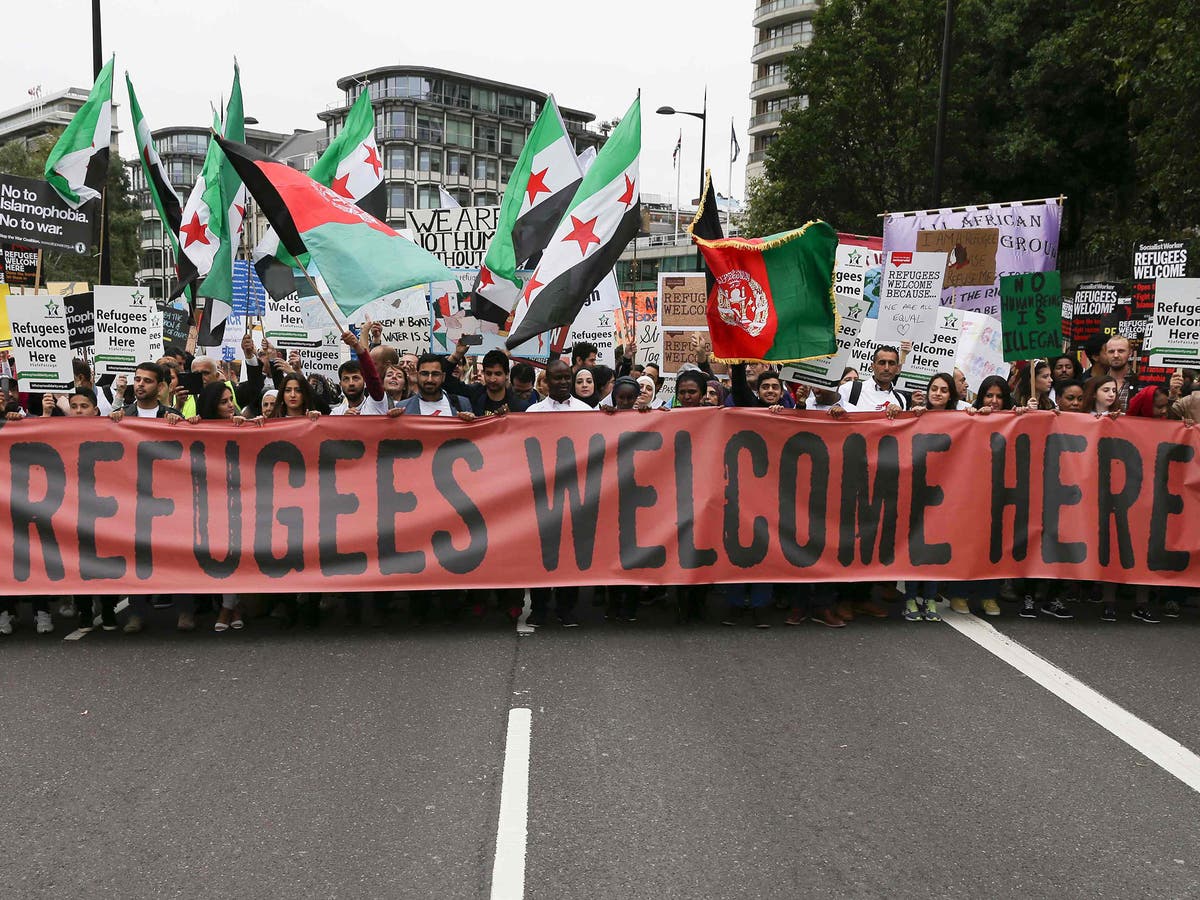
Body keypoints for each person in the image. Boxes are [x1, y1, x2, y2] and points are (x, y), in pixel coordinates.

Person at [525, 360, 594, 627]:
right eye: (558, 378)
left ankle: (567, 608)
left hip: (575, 492)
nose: (564, 382)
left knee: (570, 551)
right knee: (542, 552)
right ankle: (539, 608)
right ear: (546, 381)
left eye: (567, 378)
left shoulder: (585, 411)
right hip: (543, 493)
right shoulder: (533, 411)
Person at [830, 346, 907, 415]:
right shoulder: (849, 388)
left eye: (891, 363)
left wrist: (899, 416)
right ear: (872, 366)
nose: (886, 368)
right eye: (882, 363)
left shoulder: (900, 399)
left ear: (897, 368)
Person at [397, 354, 476, 418]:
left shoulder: (462, 404)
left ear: (443, 377)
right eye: (425, 374)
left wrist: (471, 422)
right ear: (417, 375)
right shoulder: (403, 407)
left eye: (435, 374)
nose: (430, 380)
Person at [330, 331, 386, 416]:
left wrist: (356, 345)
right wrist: (342, 421)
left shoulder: (376, 404)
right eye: (346, 379)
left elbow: (372, 376)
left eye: (356, 378)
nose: (351, 383)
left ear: (365, 381)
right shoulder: (336, 413)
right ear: (340, 384)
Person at [109, 362, 185, 423]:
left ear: (160, 386)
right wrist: (111, 421)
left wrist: (178, 423)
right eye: (137, 380)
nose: (140, 384)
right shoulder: (122, 414)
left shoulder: (173, 416)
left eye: (147, 381)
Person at [1103, 336, 1138, 411]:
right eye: (1111, 351)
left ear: (1130, 353)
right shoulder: (1097, 383)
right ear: (1105, 354)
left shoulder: (1139, 384)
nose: (1116, 355)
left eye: (1121, 351)